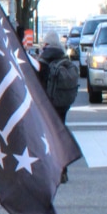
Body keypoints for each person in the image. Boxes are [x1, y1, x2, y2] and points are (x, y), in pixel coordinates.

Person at [37, 31, 77, 183]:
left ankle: (55, 171)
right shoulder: (63, 57)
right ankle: (62, 170)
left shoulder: (44, 61)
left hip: (49, 105)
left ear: (46, 44)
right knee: (59, 135)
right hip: (63, 104)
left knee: (48, 139)